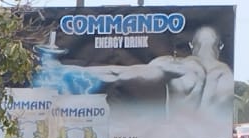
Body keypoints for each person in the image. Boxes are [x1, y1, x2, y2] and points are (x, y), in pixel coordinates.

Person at [86, 24, 233, 121]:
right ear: (220, 46)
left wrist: (77, 71)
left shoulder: (179, 68)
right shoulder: (227, 76)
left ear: (190, 45)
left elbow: (118, 74)